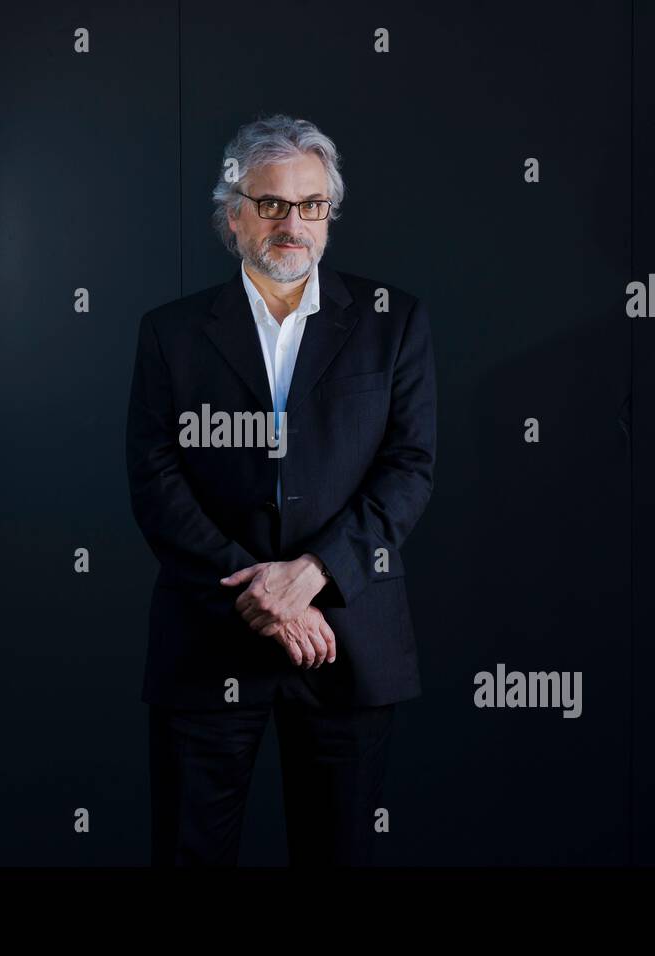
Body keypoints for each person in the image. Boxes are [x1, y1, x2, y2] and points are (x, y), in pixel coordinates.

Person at [125, 113, 436, 866]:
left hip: (347, 639)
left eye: (311, 204)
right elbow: (155, 477)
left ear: (329, 214)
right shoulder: (169, 333)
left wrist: (311, 574)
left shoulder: (393, 324)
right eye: (270, 204)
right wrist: (256, 593)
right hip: (207, 639)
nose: (291, 224)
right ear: (233, 217)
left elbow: (409, 467)